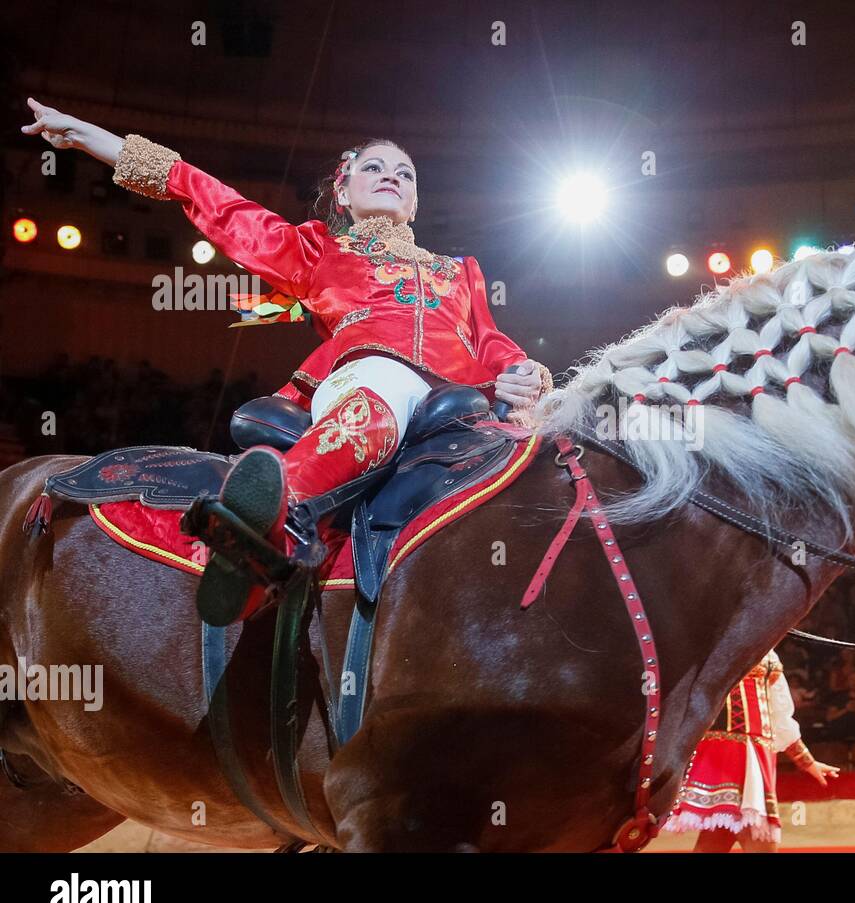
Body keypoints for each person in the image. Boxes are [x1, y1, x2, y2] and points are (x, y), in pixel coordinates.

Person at [23, 98, 550, 625]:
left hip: (460, 403)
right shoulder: (318, 249)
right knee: (390, 382)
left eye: (404, 174)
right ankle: (262, 526)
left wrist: (520, 369)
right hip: (366, 379)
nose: (391, 176)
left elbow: (489, 339)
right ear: (342, 193)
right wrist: (96, 140)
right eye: (373, 167)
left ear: (414, 204)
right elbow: (221, 206)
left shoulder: (462, 270)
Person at [660, 650, 839, 852]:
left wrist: (805, 760)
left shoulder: (767, 652)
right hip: (736, 751)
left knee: (720, 833)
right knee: (755, 834)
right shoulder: (722, 640)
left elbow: (779, 715)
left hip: (753, 750)